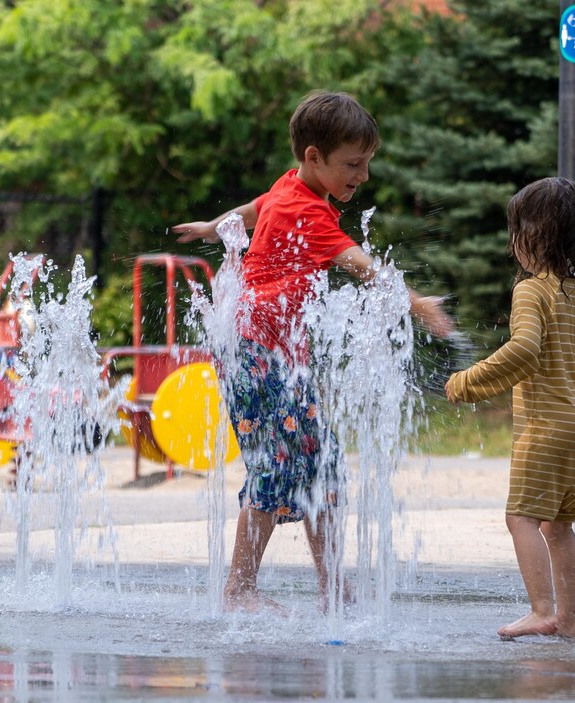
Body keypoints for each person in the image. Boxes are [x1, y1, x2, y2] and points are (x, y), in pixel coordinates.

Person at [173, 90, 454, 613]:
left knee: (323, 463)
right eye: (353, 164)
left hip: (275, 355)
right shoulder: (308, 212)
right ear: (313, 156)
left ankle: (334, 587)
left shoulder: (292, 186)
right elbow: (363, 268)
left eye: (366, 162)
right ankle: (239, 590)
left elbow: (253, 209)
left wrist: (215, 227)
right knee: (275, 466)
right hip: (255, 352)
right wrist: (418, 305)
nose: (363, 175)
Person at [444, 177, 575, 639]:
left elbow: (524, 351)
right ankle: (571, 619)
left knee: (520, 518)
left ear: (531, 238)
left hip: (547, 427)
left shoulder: (531, 290)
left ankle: (542, 611)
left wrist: (467, 382)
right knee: (559, 527)